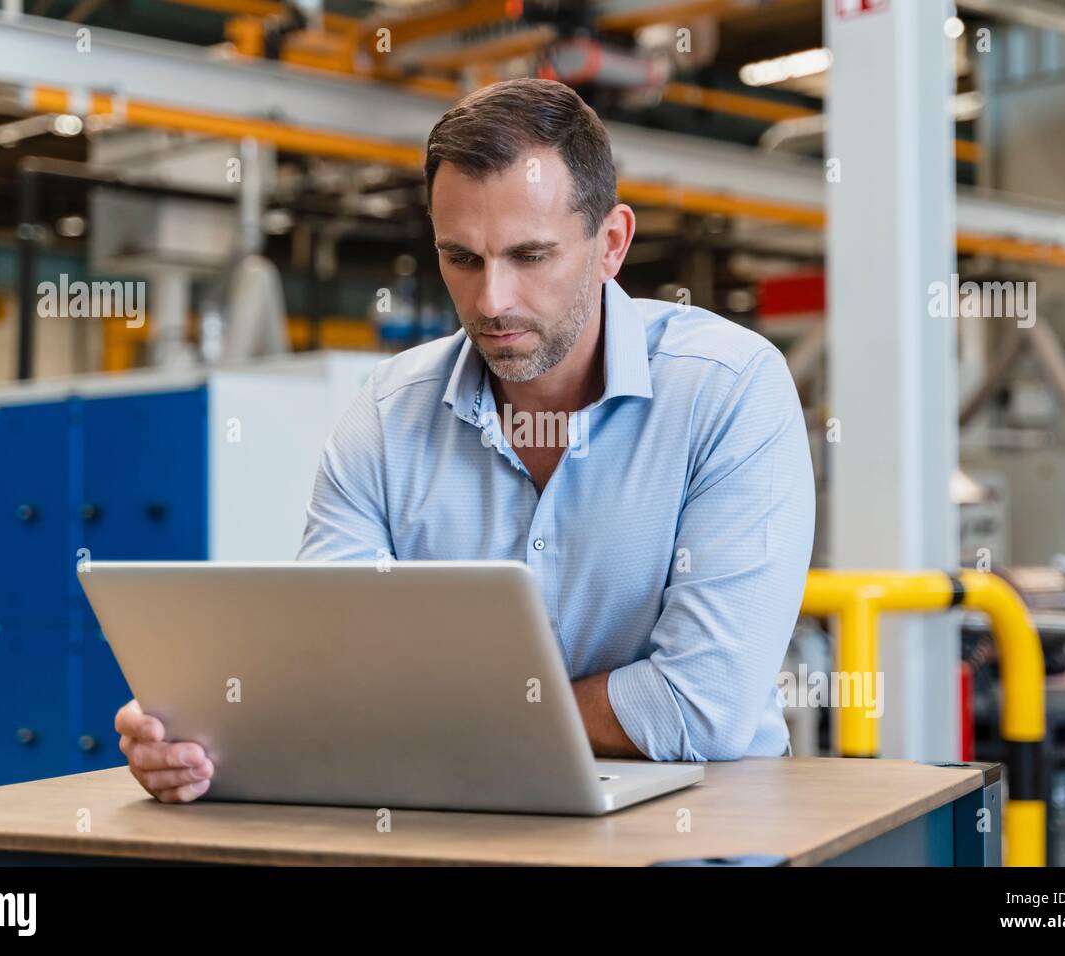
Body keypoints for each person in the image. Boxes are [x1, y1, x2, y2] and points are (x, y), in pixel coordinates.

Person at [116, 77, 814, 803]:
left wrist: (446, 721)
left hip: (700, 830)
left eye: (531, 257)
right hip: (463, 818)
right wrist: (202, 734)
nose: (493, 302)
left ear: (611, 244)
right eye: (463, 259)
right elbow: (328, 668)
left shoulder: (728, 390)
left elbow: (703, 705)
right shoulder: (387, 415)